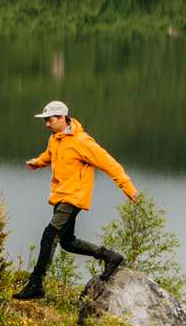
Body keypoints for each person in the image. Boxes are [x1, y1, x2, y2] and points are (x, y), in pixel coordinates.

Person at [11, 100, 136, 301]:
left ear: (62, 118)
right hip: (61, 195)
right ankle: (110, 256)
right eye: (45, 120)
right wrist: (38, 162)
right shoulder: (55, 138)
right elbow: (51, 155)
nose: (47, 124)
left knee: (49, 235)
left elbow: (108, 163)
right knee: (67, 242)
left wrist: (126, 186)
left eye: (50, 120)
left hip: (74, 196)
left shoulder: (82, 141)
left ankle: (36, 284)